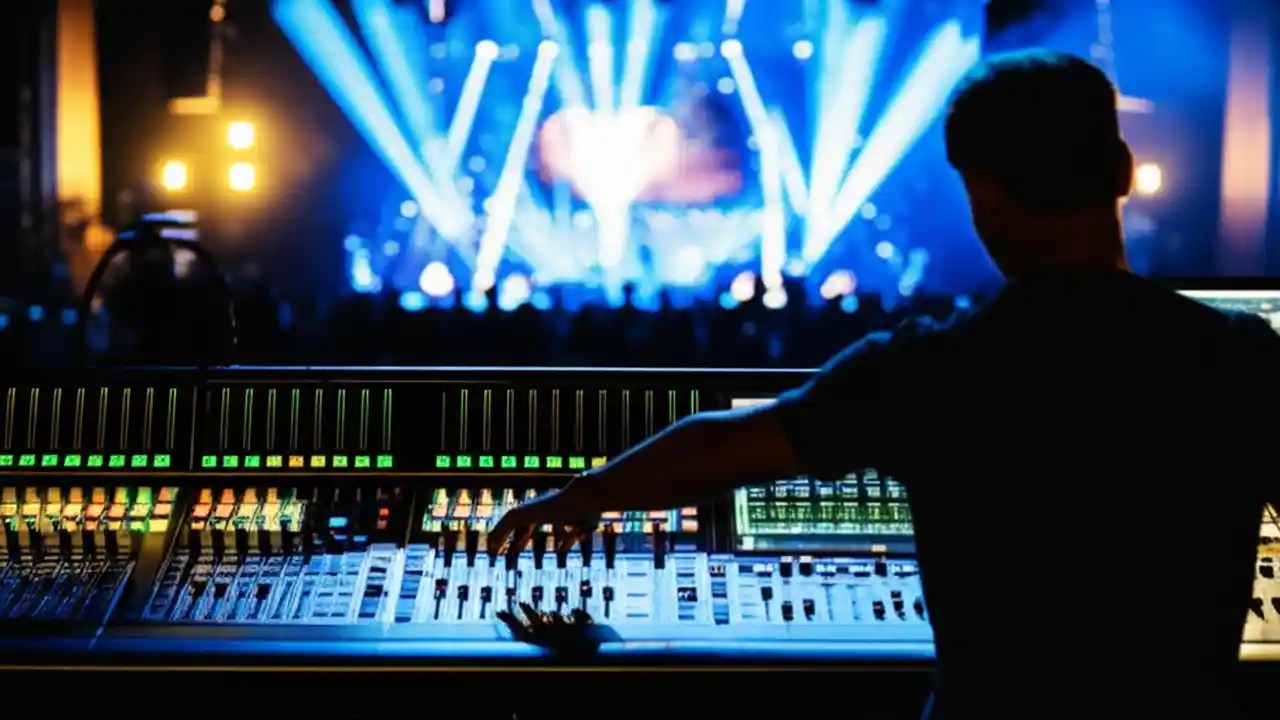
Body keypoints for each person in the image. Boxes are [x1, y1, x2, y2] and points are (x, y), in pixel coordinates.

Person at [489, 51, 1280, 718]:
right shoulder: (1242, 357)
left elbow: (730, 445)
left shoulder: (936, 368)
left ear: (983, 205)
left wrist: (580, 495)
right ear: (1119, 170)